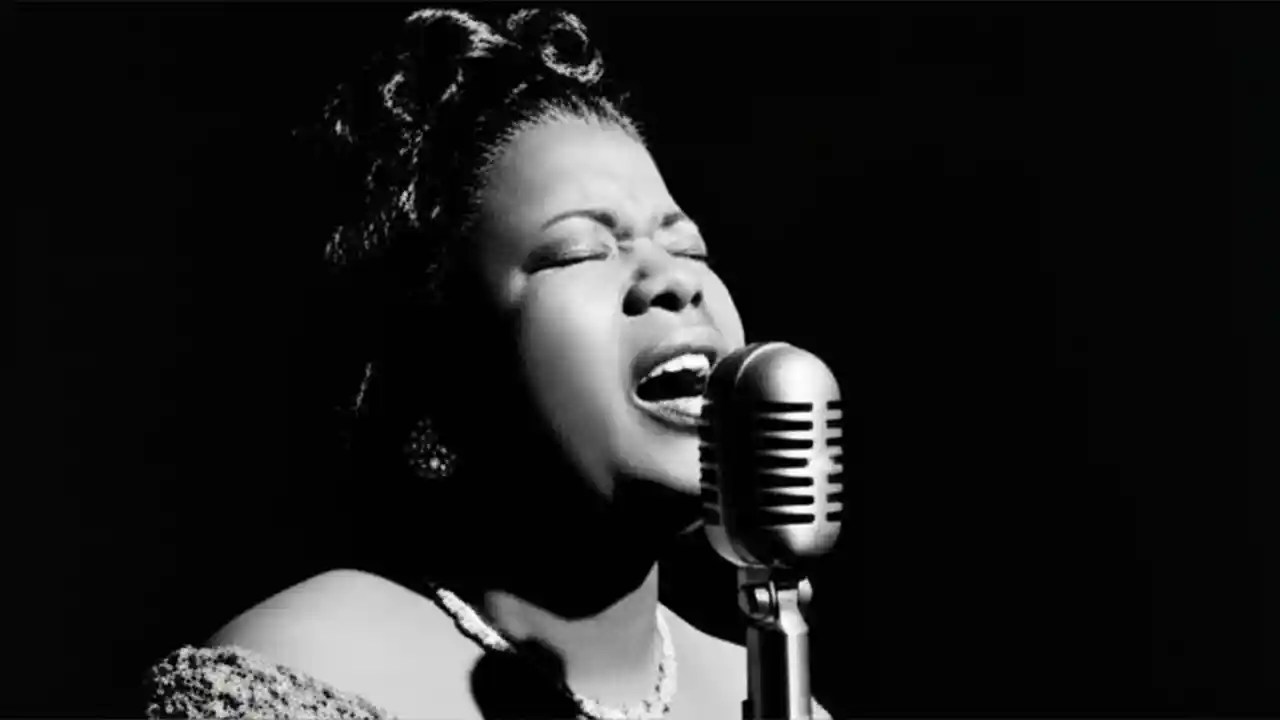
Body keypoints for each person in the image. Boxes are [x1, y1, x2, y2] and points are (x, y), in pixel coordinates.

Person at [145, 7, 831, 719]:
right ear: (443, 371)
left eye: (688, 248)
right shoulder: (297, 675)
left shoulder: (773, 690)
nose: (674, 280)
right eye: (578, 251)